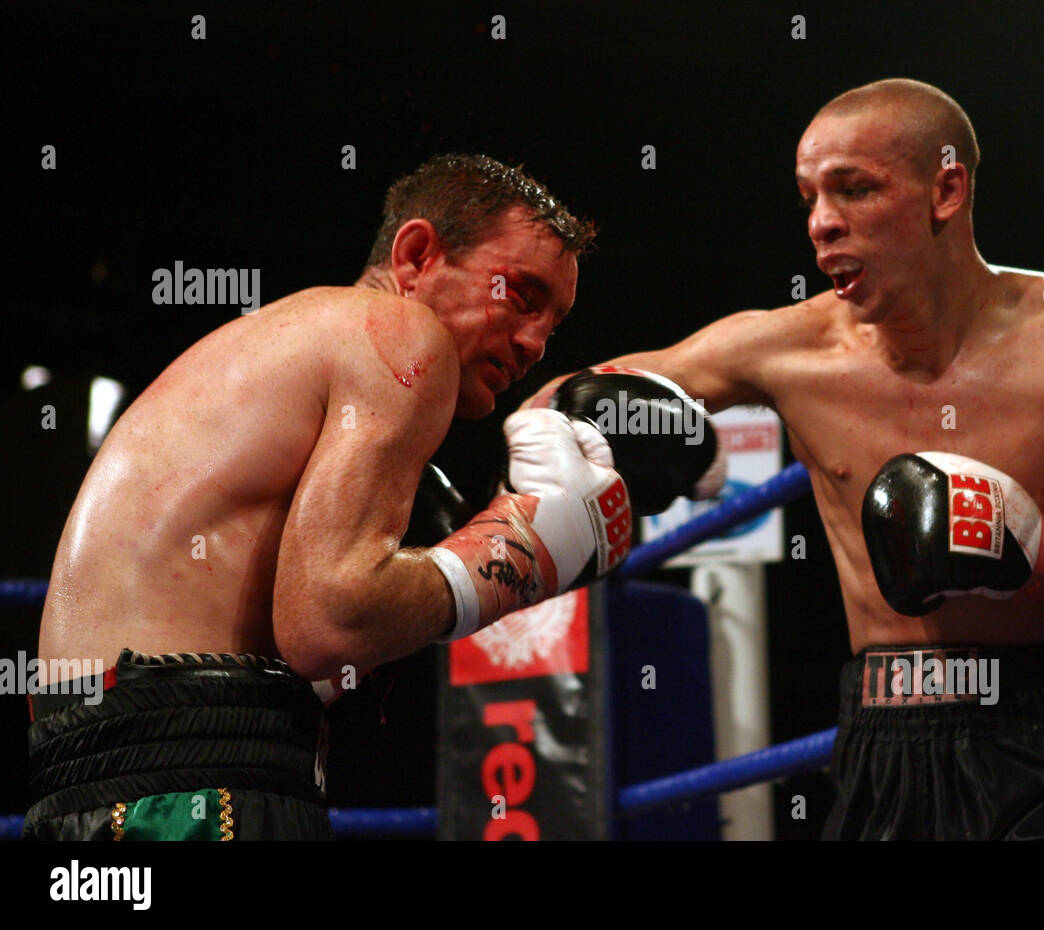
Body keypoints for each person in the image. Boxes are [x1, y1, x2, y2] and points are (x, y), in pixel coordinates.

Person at [535, 80, 1044, 839]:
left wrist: (1042, 553)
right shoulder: (784, 351)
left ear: (946, 188)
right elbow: (562, 401)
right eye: (808, 198)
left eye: (855, 190)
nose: (822, 224)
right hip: (881, 742)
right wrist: (571, 437)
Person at [26, 154, 644, 840]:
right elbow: (329, 624)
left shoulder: (278, 343)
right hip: (195, 795)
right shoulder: (402, 336)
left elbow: (293, 647)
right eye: (521, 295)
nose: (533, 342)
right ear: (416, 255)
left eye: (553, 325)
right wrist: (525, 548)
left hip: (85, 795)